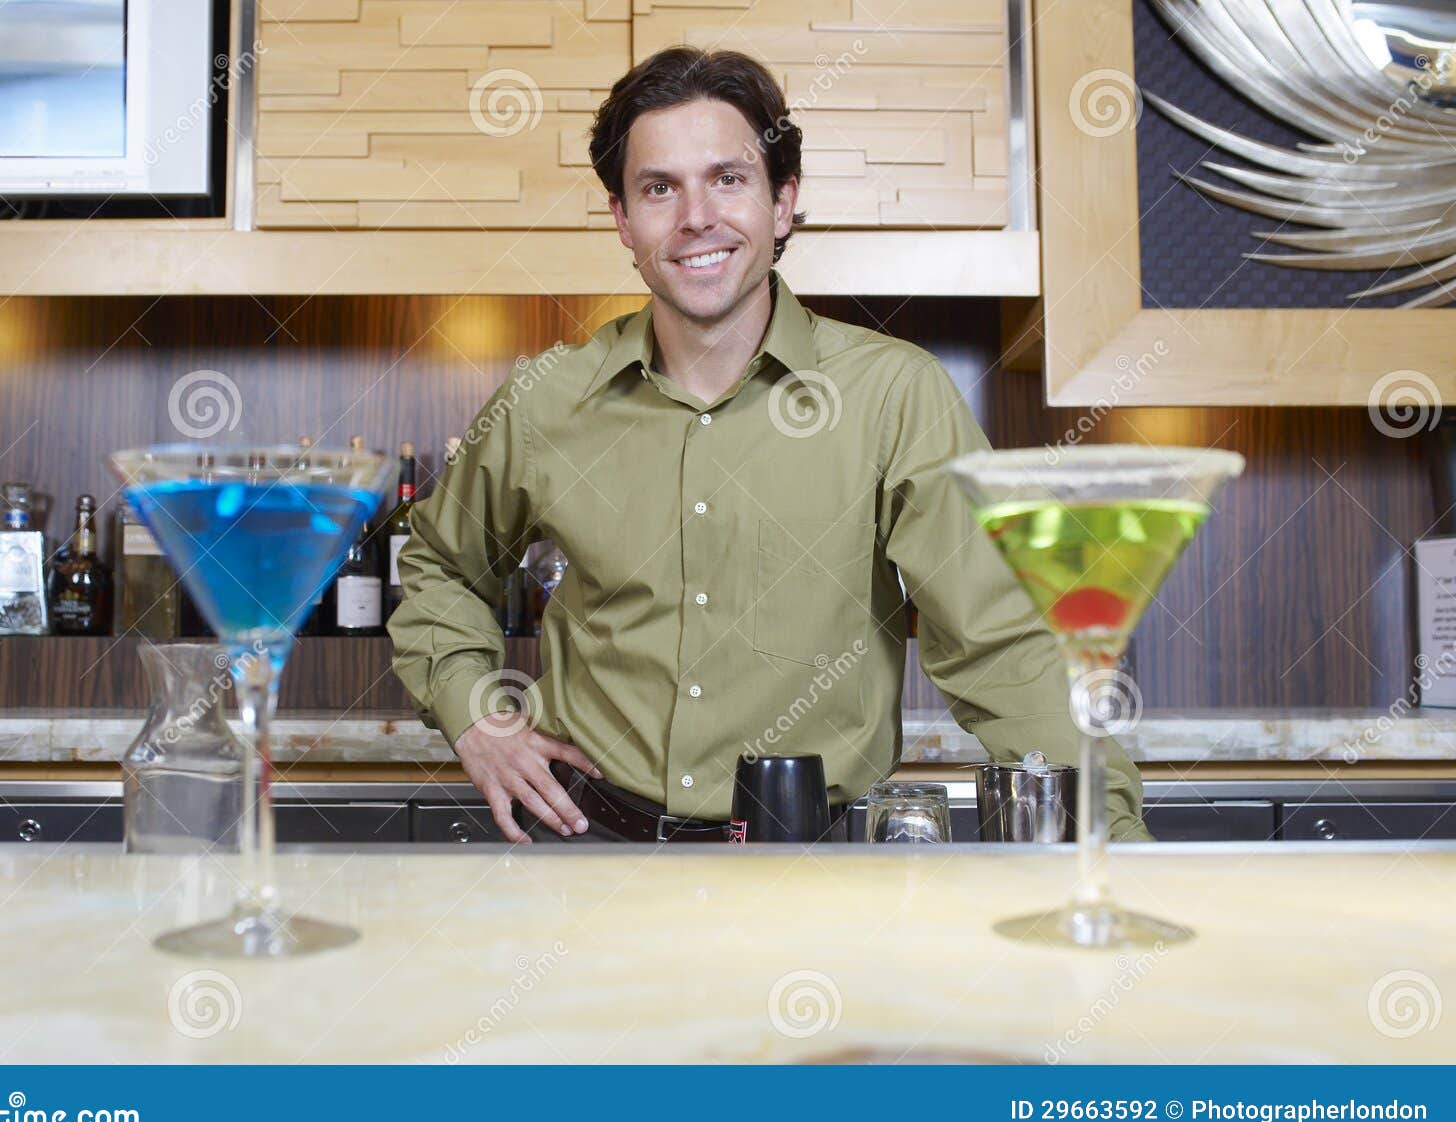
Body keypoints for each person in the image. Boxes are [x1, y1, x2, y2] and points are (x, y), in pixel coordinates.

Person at [389, 47, 1149, 844]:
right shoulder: (545, 398)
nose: (696, 217)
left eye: (728, 178)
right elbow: (438, 565)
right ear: (622, 219)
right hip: (585, 850)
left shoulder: (895, 396)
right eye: (659, 188)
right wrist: (474, 714)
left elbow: (1002, 647)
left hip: (810, 867)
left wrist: (1114, 840)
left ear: (782, 203)